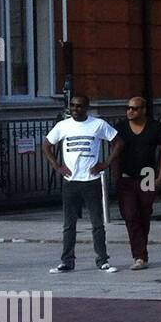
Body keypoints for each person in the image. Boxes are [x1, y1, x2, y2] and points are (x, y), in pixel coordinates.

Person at [43, 95, 119, 273]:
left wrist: (105, 163)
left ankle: (102, 260)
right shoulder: (63, 126)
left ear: (87, 108)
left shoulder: (98, 124)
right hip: (71, 181)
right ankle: (67, 261)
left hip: (90, 181)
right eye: (72, 106)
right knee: (69, 224)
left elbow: (118, 142)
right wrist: (57, 166)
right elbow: (46, 145)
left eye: (79, 106)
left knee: (97, 223)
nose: (75, 109)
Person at [107, 96, 161, 269]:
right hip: (126, 177)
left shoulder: (154, 127)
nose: (130, 111)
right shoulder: (120, 127)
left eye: (134, 108)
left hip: (147, 174)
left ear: (143, 110)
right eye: (128, 108)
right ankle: (139, 256)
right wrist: (116, 175)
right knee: (130, 215)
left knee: (144, 213)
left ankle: (142, 252)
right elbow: (115, 150)